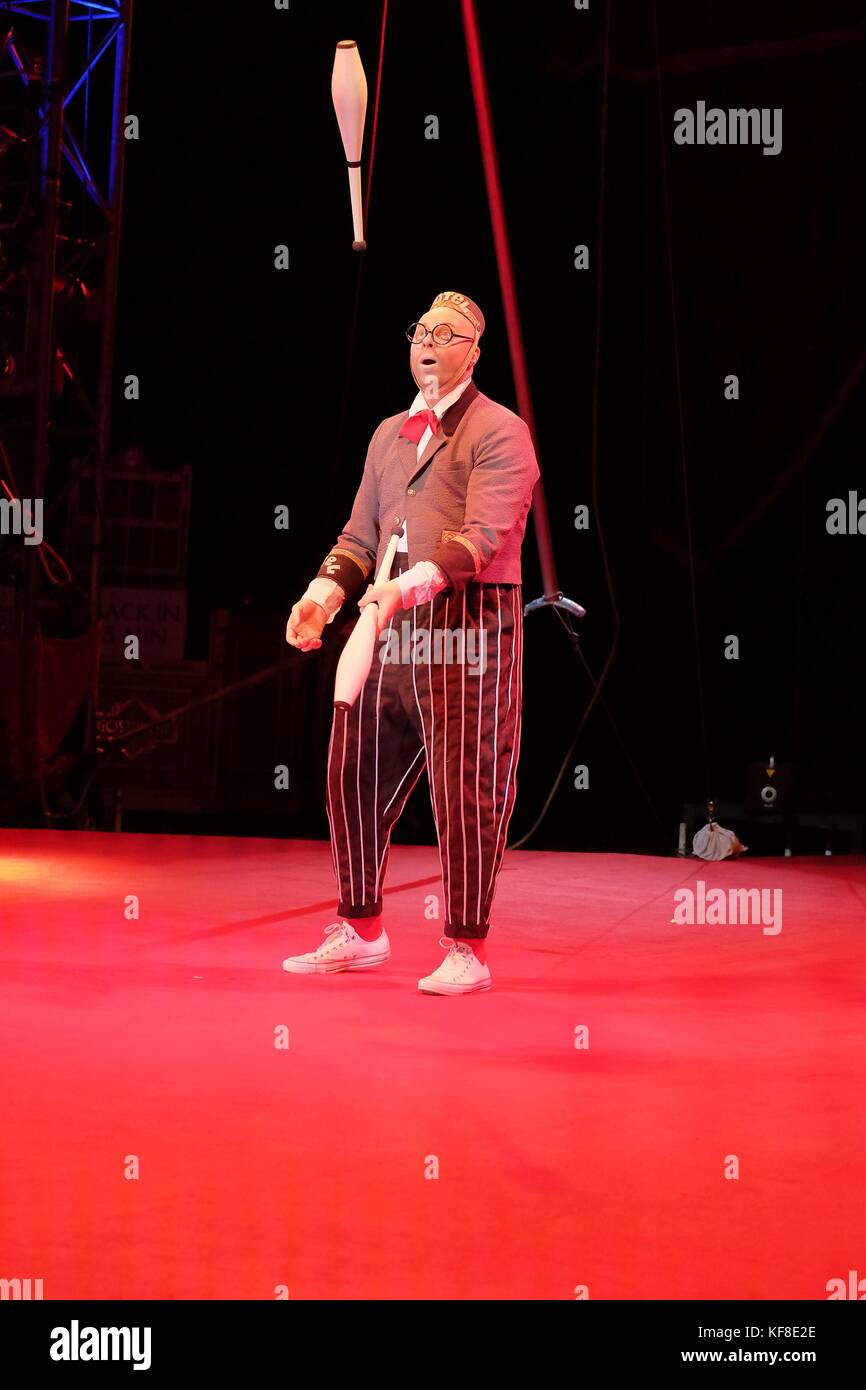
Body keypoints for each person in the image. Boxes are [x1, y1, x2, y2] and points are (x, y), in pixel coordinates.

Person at [283, 290, 539, 994]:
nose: (427, 340)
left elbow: (481, 540)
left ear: (473, 352)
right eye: (420, 329)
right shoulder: (389, 434)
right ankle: (362, 930)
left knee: (467, 787)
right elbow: (361, 534)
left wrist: (408, 586)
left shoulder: (501, 431)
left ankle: (467, 946)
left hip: (470, 623)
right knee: (353, 770)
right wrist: (322, 596)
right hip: (389, 623)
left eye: (446, 332)